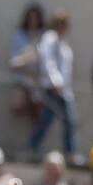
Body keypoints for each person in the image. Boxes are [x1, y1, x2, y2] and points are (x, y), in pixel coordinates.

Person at [29, 11, 79, 161]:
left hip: (64, 90)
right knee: (66, 120)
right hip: (55, 89)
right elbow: (48, 62)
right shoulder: (50, 39)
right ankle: (70, 153)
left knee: (61, 120)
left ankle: (34, 147)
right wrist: (56, 82)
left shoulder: (62, 42)